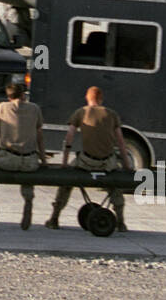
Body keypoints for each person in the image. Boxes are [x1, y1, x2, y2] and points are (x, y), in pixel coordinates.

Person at [47, 85, 130, 231]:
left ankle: (54, 218)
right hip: (107, 163)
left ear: (87, 97)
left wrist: (65, 163)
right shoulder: (112, 114)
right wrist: (127, 166)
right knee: (115, 187)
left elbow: (69, 139)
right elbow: (121, 143)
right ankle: (121, 222)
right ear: (101, 98)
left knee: (65, 184)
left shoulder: (81, 112)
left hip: (86, 162)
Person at [0, 81, 47, 230]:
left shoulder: (2, 107)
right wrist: (43, 160)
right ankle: (28, 200)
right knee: (28, 174)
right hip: (29, 160)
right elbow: (39, 136)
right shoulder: (35, 108)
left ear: (8, 96)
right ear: (23, 94)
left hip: (7, 159)